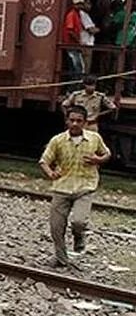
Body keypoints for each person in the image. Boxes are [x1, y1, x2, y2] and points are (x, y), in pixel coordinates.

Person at [39, 106, 111, 268]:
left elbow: (107, 153)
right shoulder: (58, 140)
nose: (75, 124)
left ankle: (79, 236)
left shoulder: (94, 138)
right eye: (72, 120)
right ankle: (61, 258)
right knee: (56, 226)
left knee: (79, 221)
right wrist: (50, 173)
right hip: (62, 187)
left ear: (85, 123)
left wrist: (98, 160)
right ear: (67, 121)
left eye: (79, 121)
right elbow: (44, 160)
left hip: (85, 186)